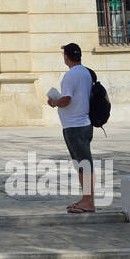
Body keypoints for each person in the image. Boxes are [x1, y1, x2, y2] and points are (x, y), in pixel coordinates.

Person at [48, 43, 95, 213]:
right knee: (83, 164)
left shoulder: (70, 75)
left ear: (66, 57)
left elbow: (66, 99)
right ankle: (86, 199)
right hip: (83, 123)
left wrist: (53, 102)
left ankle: (88, 201)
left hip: (75, 126)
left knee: (84, 164)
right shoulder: (85, 72)